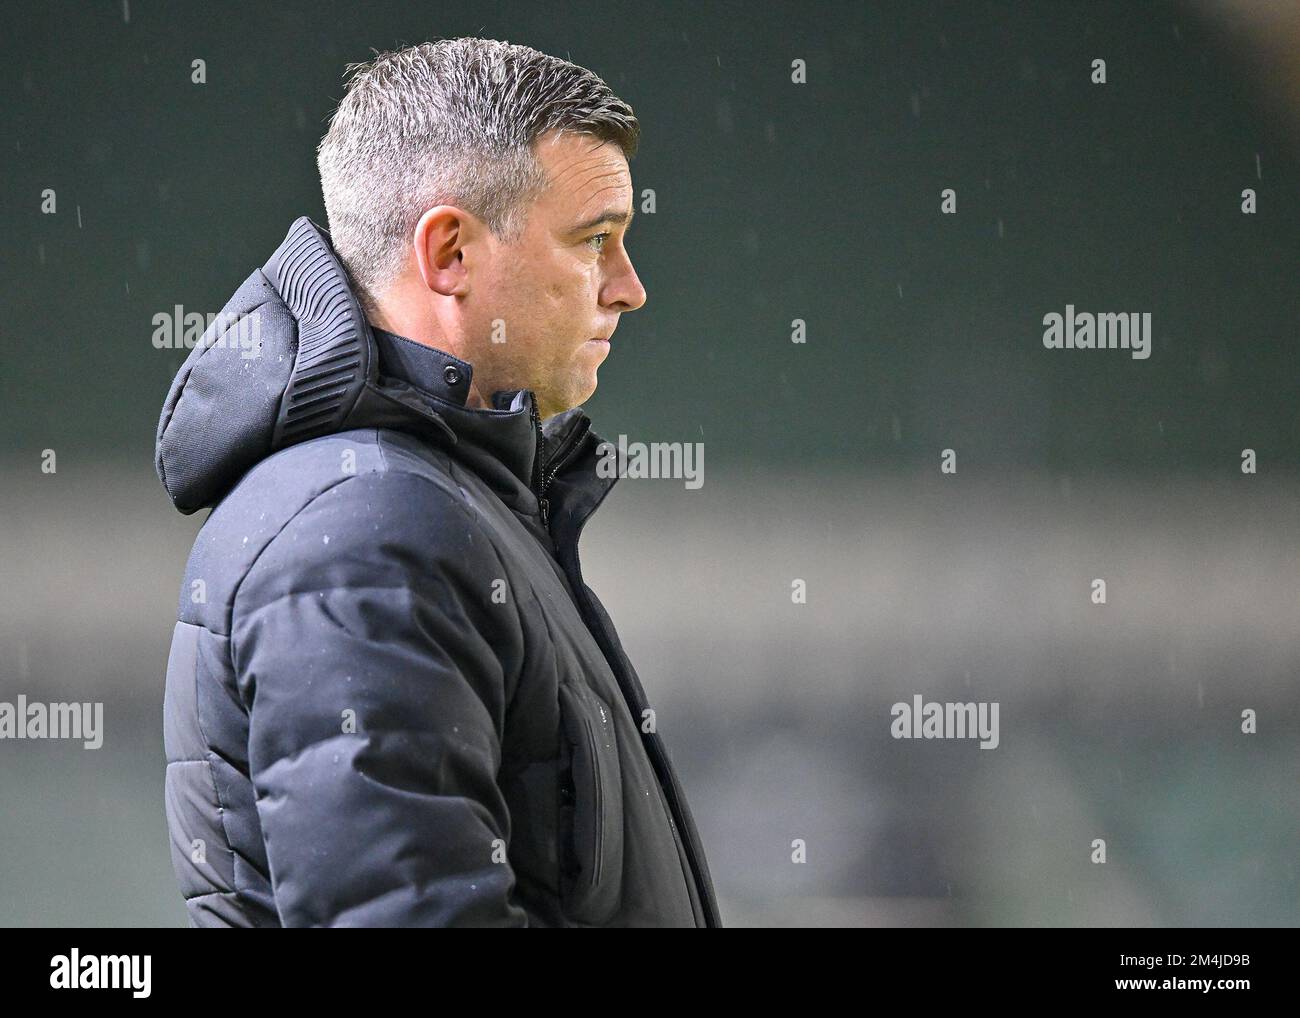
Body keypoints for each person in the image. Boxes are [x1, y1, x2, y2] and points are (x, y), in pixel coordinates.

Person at [155, 37, 721, 928]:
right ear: (449, 252)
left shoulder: (443, 500)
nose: (630, 287)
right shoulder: (366, 530)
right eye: (597, 240)